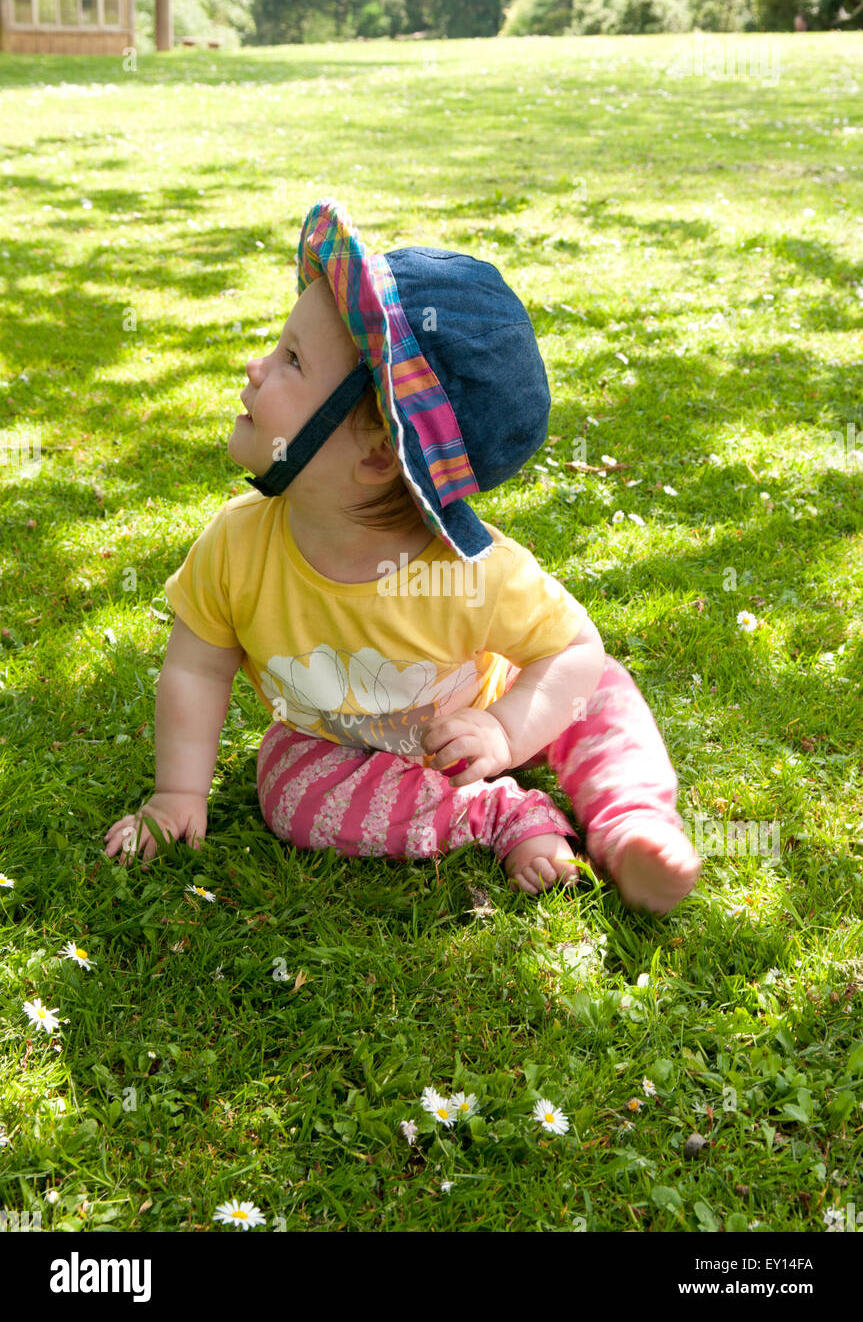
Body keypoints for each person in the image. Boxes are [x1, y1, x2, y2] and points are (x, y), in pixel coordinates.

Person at [103, 198, 701, 913]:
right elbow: (197, 669)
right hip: (340, 746)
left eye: (291, 359)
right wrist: (176, 796)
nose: (256, 367)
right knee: (289, 790)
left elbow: (572, 651)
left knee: (598, 691)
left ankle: (630, 819)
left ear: (381, 453)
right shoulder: (236, 543)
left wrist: (504, 729)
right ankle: (497, 816)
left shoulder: (471, 571)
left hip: (482, 714)